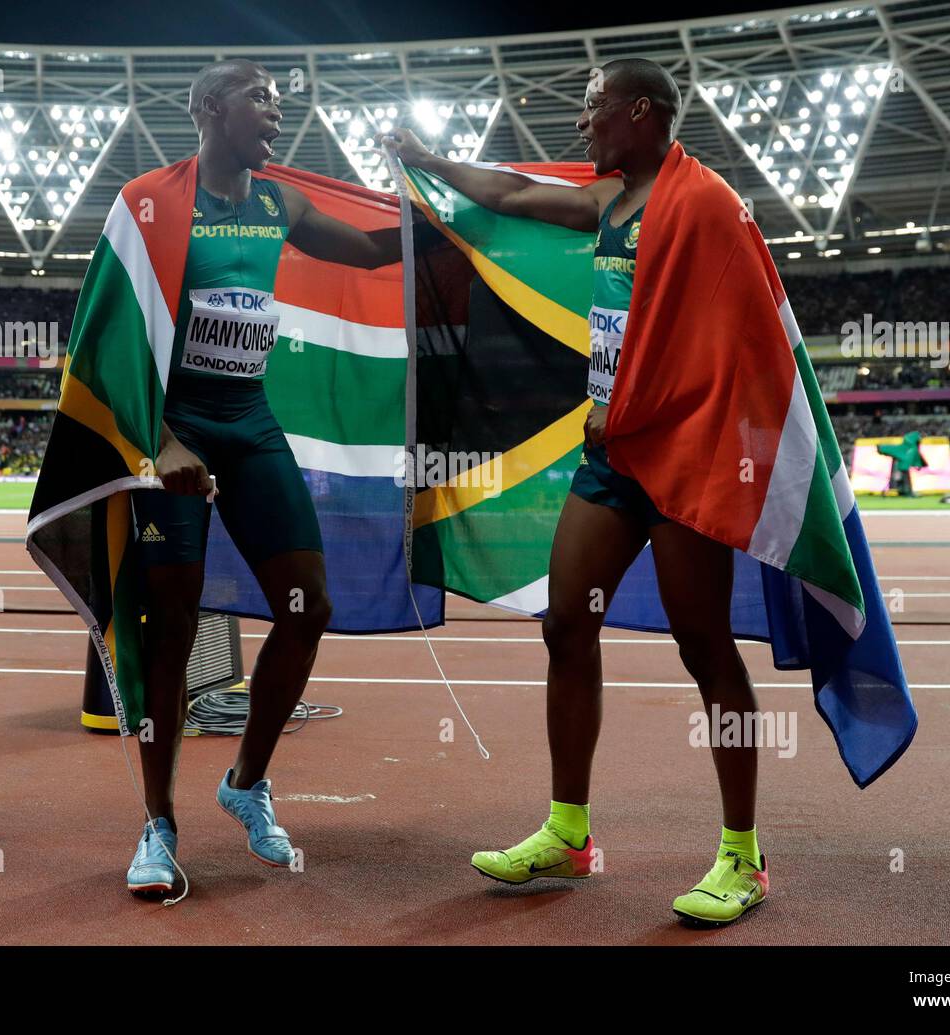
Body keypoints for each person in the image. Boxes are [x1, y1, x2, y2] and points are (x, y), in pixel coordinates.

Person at [387, 58, 768, 926]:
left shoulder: (704, 203)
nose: (582, 124)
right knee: (567, 622)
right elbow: (514, 198)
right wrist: (432, 164)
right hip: (613, 460)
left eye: (595, 108)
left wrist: (648, 405)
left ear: (642, 111)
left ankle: (743, 856)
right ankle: (570, 833)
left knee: (704, 644)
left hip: (680, 453)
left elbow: (740, 329)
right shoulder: (609, 202)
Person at [125, 59, 405, 896]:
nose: (277, 112)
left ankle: (244, 782)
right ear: (208, 107)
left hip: (248, 422)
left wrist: (444, 226)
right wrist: (162, 441)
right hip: (170, 428)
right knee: (169, 629)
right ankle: (156, 822)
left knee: (307, 604)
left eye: (281, 100)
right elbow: (107, 329)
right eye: (260, 98)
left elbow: (363, 250)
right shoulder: (153, 201)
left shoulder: (278, 203)